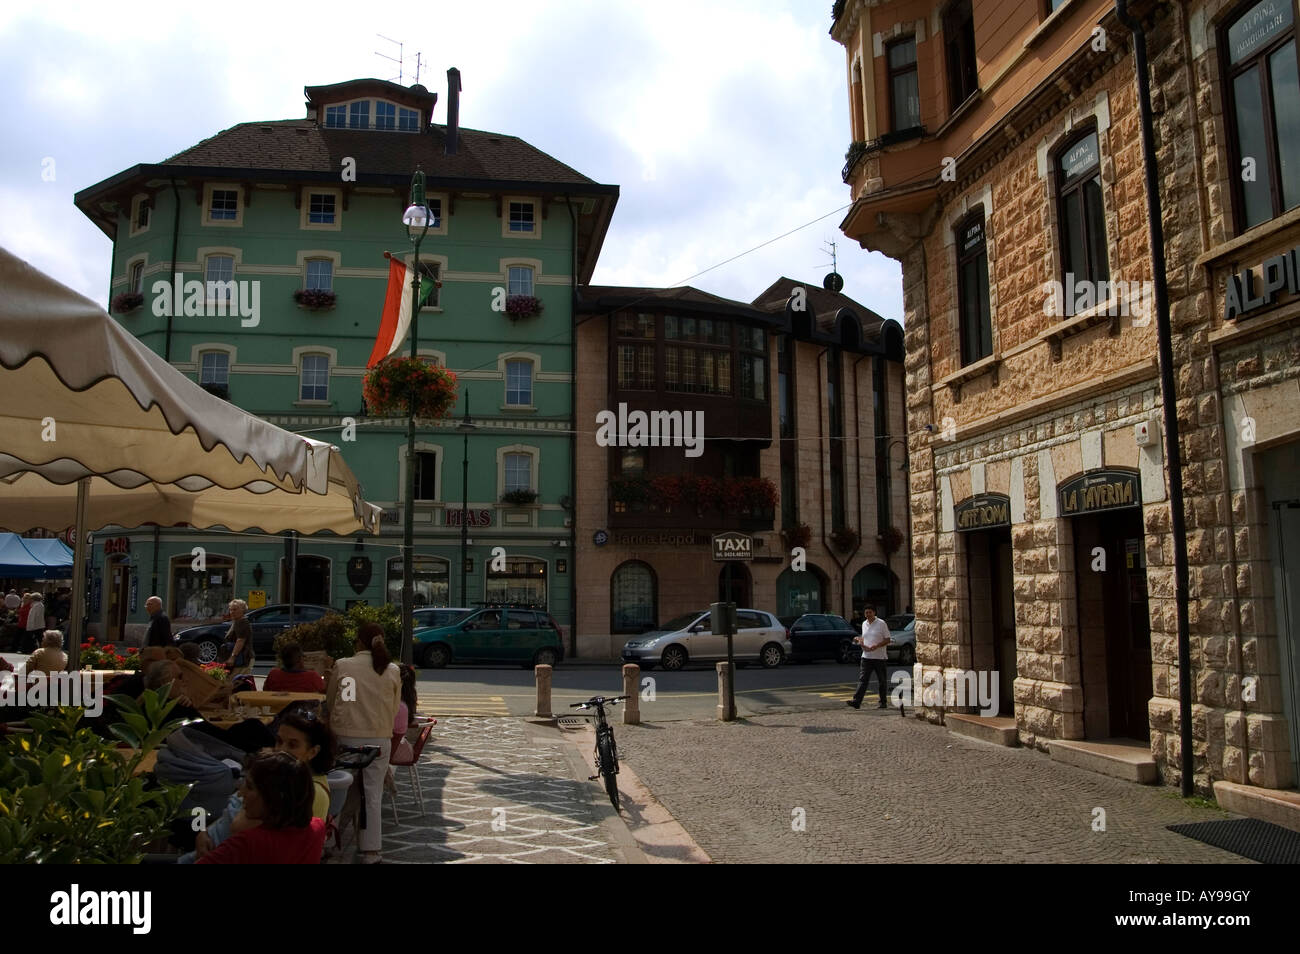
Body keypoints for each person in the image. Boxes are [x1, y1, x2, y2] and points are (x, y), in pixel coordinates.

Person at [184, 711, 335, 863]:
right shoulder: (275, 776)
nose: (282, 750)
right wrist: (204, 832)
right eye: (279, 741)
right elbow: (233, 815)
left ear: (313, 751)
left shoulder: (308, 792)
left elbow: (238, 826)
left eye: (292, 745)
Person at [325, 622, 400, 864]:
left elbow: (333, 699)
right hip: (378, 738)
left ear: (358, 642)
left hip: (345, 737)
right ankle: (371, 850)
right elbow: (395, 706)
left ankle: (326, 840)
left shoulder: (344, 665)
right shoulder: (392, 670)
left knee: (337, 791)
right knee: (373, 794)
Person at [195, 751, 327, 864]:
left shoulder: (245, 843)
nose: (241, 793)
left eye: (250, 787)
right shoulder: (317, 828)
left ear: (274, 797)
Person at [847, 604, 891, 710]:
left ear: (874, 613)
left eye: (870, 612)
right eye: (866, 612)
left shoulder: (881, 623)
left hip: (879, 657)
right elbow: (865, 637)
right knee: (863, 680)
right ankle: (856, 701)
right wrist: (861, 642)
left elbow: (887, 639)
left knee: (882, 681)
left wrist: (877, 645)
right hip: (866, 656)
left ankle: (883, 702)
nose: (868, 615)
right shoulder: (864, 624)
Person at [220, 599, 253, 674]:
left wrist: (233, 657)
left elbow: (240, 640)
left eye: (235, 609)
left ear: (243, 610)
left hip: (242, 658)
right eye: (231, 610)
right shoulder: (237, 621)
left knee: (233, 682)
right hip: (241, 658)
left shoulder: (242, 622)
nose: (232, 612)